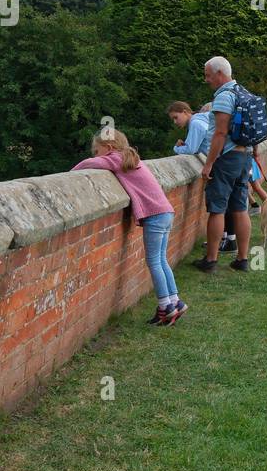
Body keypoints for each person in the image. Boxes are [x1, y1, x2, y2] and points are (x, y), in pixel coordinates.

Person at [72, 128, 186, 326]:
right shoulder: (129, 158)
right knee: (161, 259)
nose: (96, 155)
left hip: (155, 215)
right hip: (165, 212)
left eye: (97, 150)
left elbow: (89, 164)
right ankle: (175, 301)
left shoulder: (115, 158)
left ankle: (165, 306)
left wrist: (70, 173)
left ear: (108, 148)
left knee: (154, 262)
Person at [194, 56, 253, 272]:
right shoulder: (243, 92)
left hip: (227, 157)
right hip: (244, 156)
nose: (206, 79)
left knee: (217, 208)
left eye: (208, 75)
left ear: (220, 74)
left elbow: (220, 133)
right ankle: (243, 259)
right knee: (240, 207)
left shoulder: (224, 97)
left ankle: (210, 260)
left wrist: (208, 164)